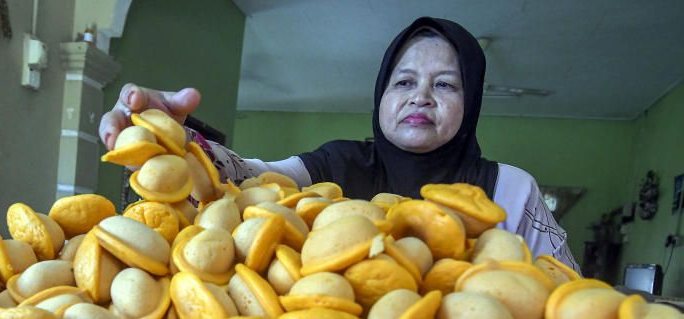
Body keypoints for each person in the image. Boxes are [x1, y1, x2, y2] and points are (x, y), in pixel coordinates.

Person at [99, 16, 580, 271]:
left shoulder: (510, 191)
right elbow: (249, 178)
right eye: (404, 81)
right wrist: (174, 138)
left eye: (446, 85)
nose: (421, 98)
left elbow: (568, 294)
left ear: (472, 102)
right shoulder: (336, 164)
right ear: (380, 96)